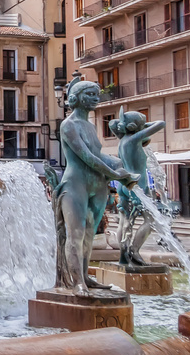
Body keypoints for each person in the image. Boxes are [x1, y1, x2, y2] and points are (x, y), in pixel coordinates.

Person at [55, 78, 139, 296]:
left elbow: (98, 154)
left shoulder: (91, 126)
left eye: (97, 94)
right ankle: (77, 283)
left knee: (90, 235)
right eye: (90, 94)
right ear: (77, 98)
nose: (95, 98)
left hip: (98, 185)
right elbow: (86, 156)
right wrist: (116, 175)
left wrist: (119, 166)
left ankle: (86, 276)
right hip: (75, 185)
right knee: (75, 234)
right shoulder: (68, 125)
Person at [111, 108, 166, 266]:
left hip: (124, 185)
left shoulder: (122, 141)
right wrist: (140, 127)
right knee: (152, 220)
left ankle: (123, 256)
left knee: (125, 221)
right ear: (135, 127)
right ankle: (134, 250)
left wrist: (127, 125)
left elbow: (113, 124)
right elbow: (161, 123)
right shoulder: (135, 139)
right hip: (138, 185)